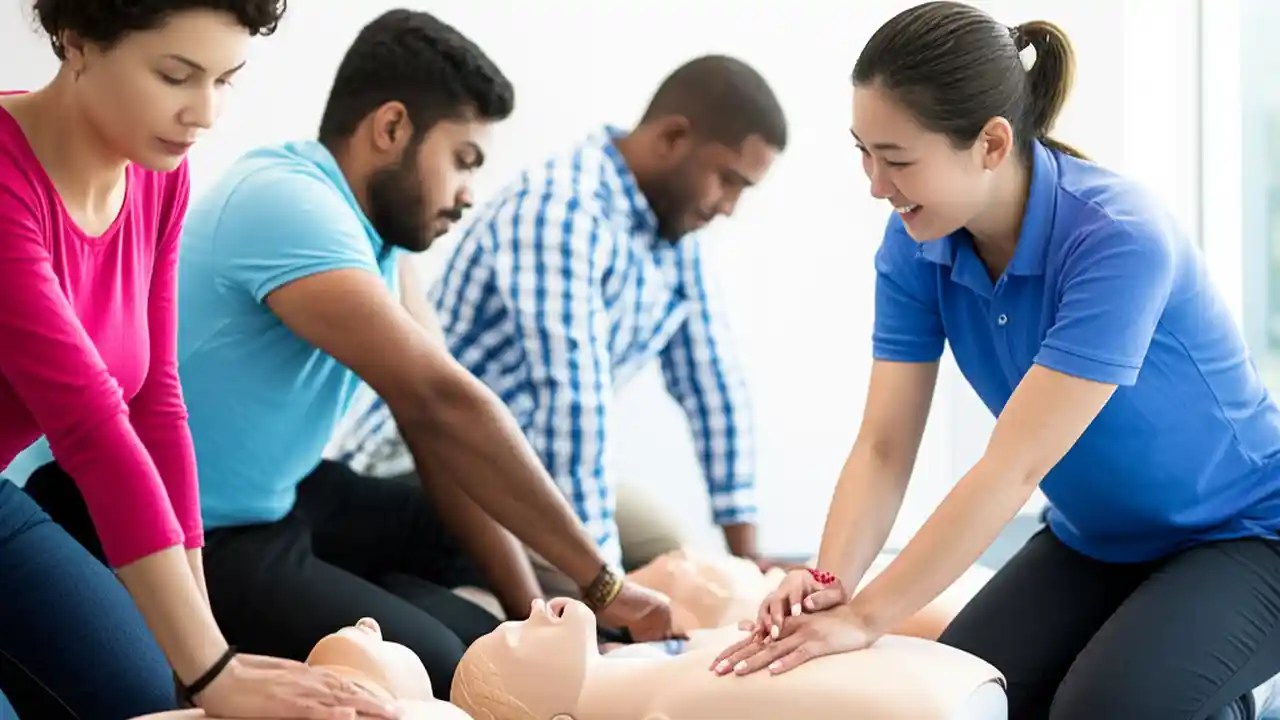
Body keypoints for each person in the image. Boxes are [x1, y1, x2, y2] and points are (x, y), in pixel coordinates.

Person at [19, 7, 676, 702]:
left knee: (464, 548)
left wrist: (534, 609)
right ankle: (399, 625)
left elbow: (433, 423)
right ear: (391, 129)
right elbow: (443, 401)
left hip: (277, 496)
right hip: (190, 522)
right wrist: (601, 581)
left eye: (223, 81)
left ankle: (410, 610)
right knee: (442, 653)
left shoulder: (373, 245)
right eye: (462, 160)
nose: (466, 194)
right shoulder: (288, 202)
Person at [711, 2, 1280, 718]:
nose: (875, 184)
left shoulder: (1118, 241)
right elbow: (885, 446)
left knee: (1101, 711)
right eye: (863, 150)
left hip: (1248, 532)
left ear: (990, 143)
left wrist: (866, 619)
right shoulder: (916, 244)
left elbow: (1013, 467)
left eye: (897, 159)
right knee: (966, 698)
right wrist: (832, 581)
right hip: (1097, 538)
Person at [0, 2, 397, 720]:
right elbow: (89, 425)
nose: (205, 112)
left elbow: (155, 398)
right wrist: (214, 669)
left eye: (225, 80)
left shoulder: (156, 177)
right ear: (78, 41)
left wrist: (202, 651)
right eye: (177, 76)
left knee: (146, 686)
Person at [332, 54, 787, 589]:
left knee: (698, 574)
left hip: (534, 469)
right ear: (673, 138)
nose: (728, 206)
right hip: (431, 468)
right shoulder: (561, 210)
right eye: (727, 180)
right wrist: (606, 588)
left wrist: (747, 564)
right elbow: (575, 408)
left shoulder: (675, 228)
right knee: (602, 607)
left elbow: (713, 387)